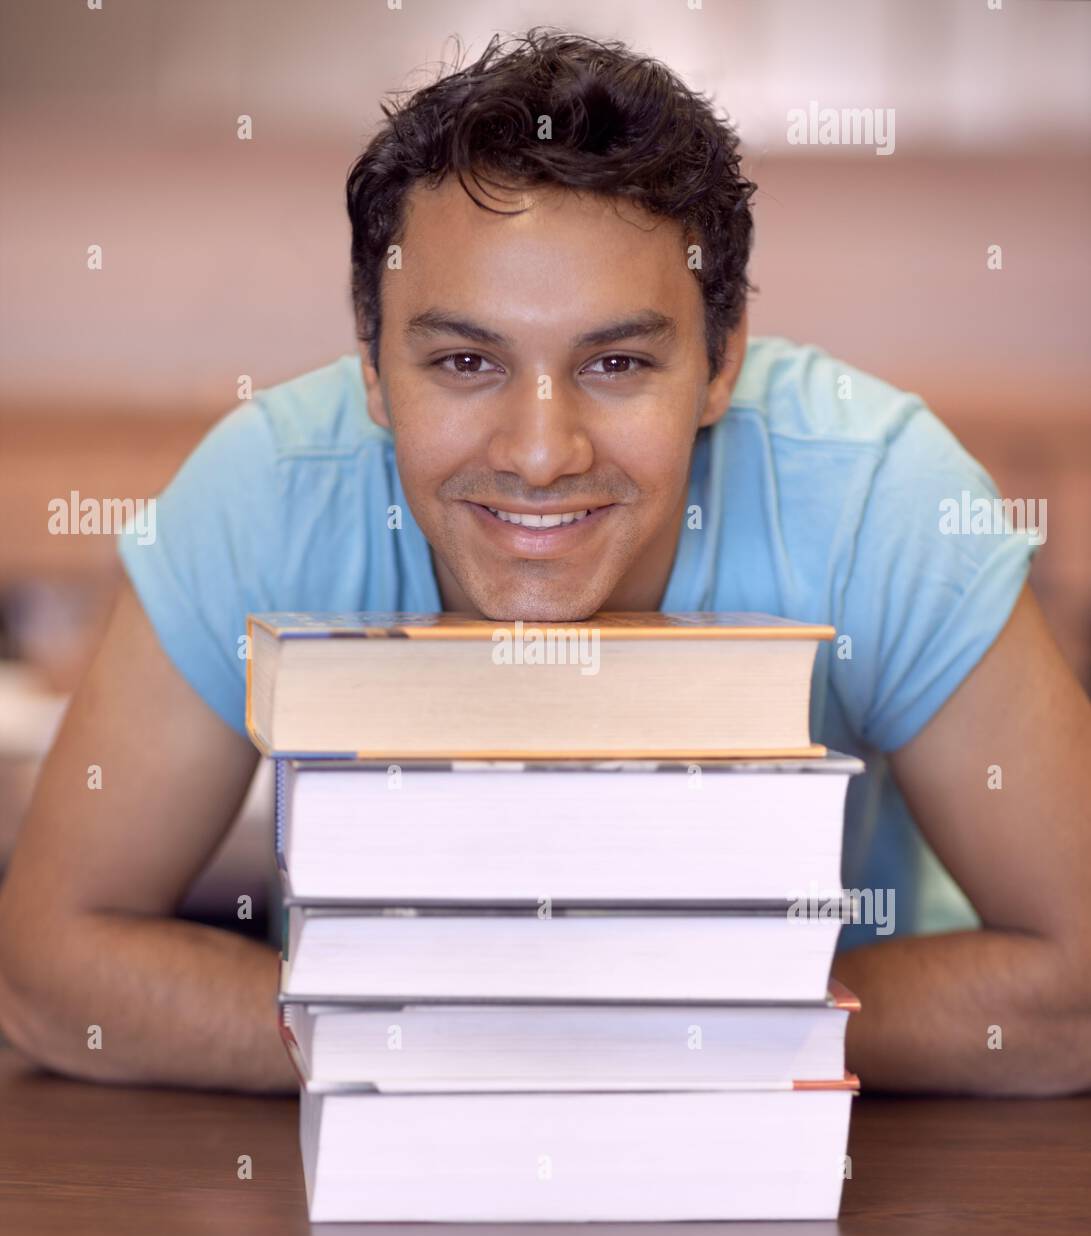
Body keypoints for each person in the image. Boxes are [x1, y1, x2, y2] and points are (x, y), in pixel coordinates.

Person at [1, 30, 1088, 1096]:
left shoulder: (879, 497)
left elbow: (1074, 985)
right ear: (373, 371)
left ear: (720, 364)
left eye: (615, 362)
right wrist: (463, 1046)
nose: (536, 454)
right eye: (463, 361)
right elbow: (47, 971)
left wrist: (688, 1039)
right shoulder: (263, 489)